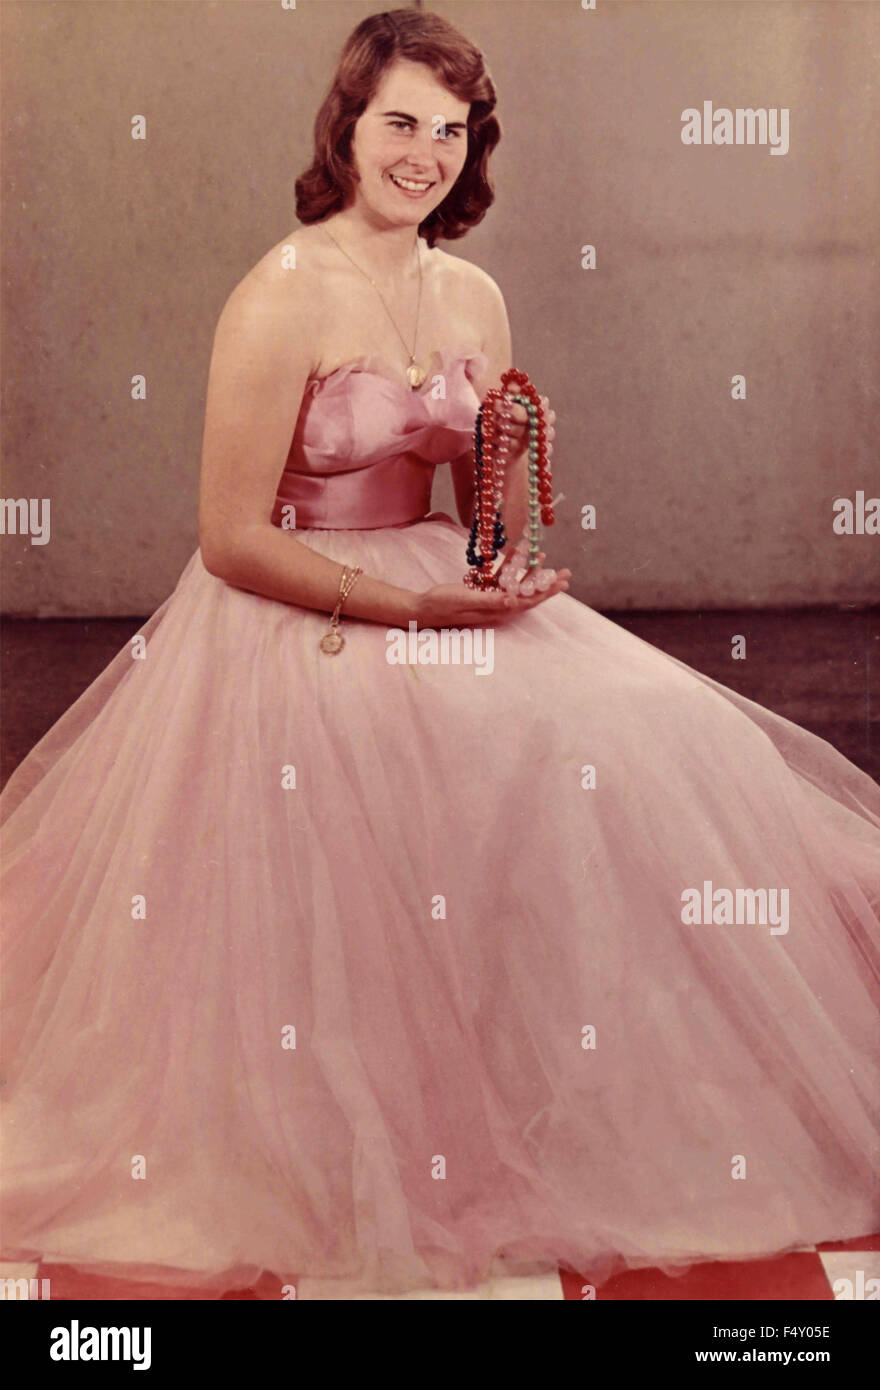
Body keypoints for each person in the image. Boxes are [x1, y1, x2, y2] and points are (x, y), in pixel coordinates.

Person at [1, 8, 878, 1303]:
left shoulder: (473, 291)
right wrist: (408, 616)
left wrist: (510, 475)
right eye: (399, 122)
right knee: (368, 791)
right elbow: (231, 536)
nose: (423, 152)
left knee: (629, 742)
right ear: (346, 128)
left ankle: (585, 1106)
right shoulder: (278, 292)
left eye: (449, 131)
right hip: (300, 605)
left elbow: (483, 524)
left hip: (435, 591)